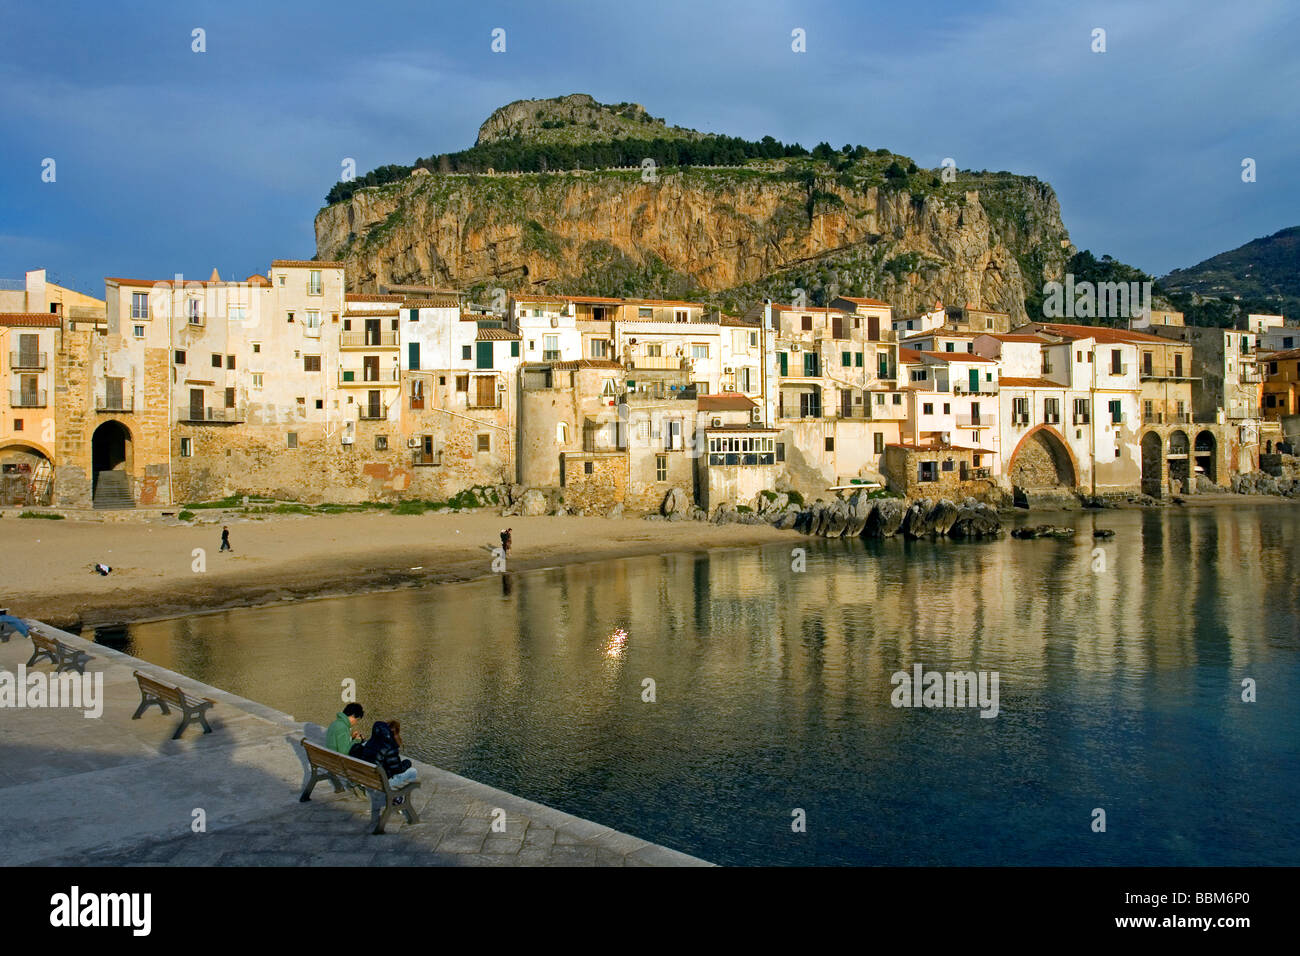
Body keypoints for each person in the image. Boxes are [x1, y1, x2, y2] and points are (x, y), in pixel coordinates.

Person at [353, 719, 417, 788]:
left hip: (367, 777)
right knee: (413, 771)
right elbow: (398, 769)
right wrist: (407, 763)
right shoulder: (390, 748)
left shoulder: (369, 743)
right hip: (380, 782)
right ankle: (397, 794)